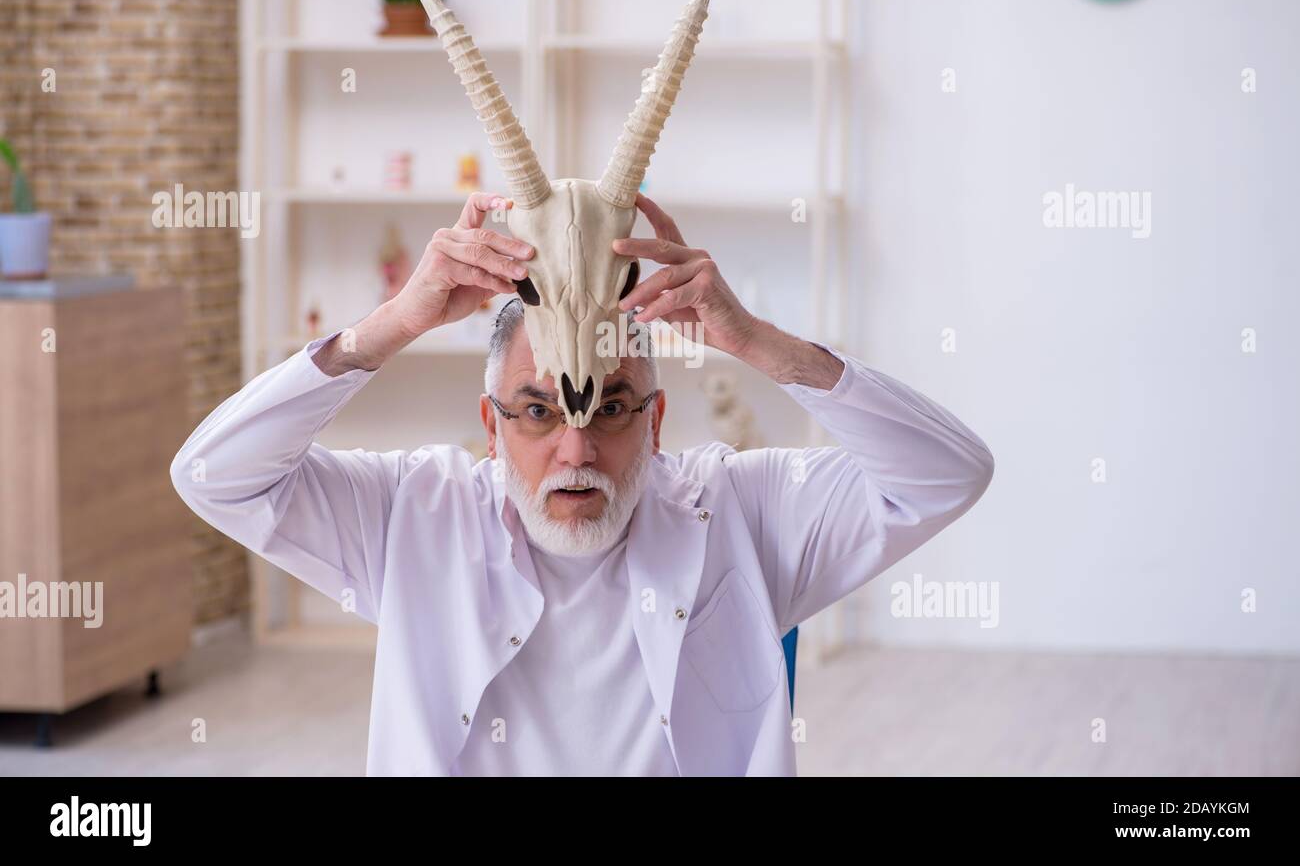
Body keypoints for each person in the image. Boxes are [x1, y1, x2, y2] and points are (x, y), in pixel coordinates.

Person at [170, 191, 995, 776]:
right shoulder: (414, 515)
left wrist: (756, 342)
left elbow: (946, 474)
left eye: (611, 408)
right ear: (490, 426)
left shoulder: (739, 510)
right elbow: (215, 476)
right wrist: (395, 323)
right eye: (536, 410)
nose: (575, 451)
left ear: (658, 420)